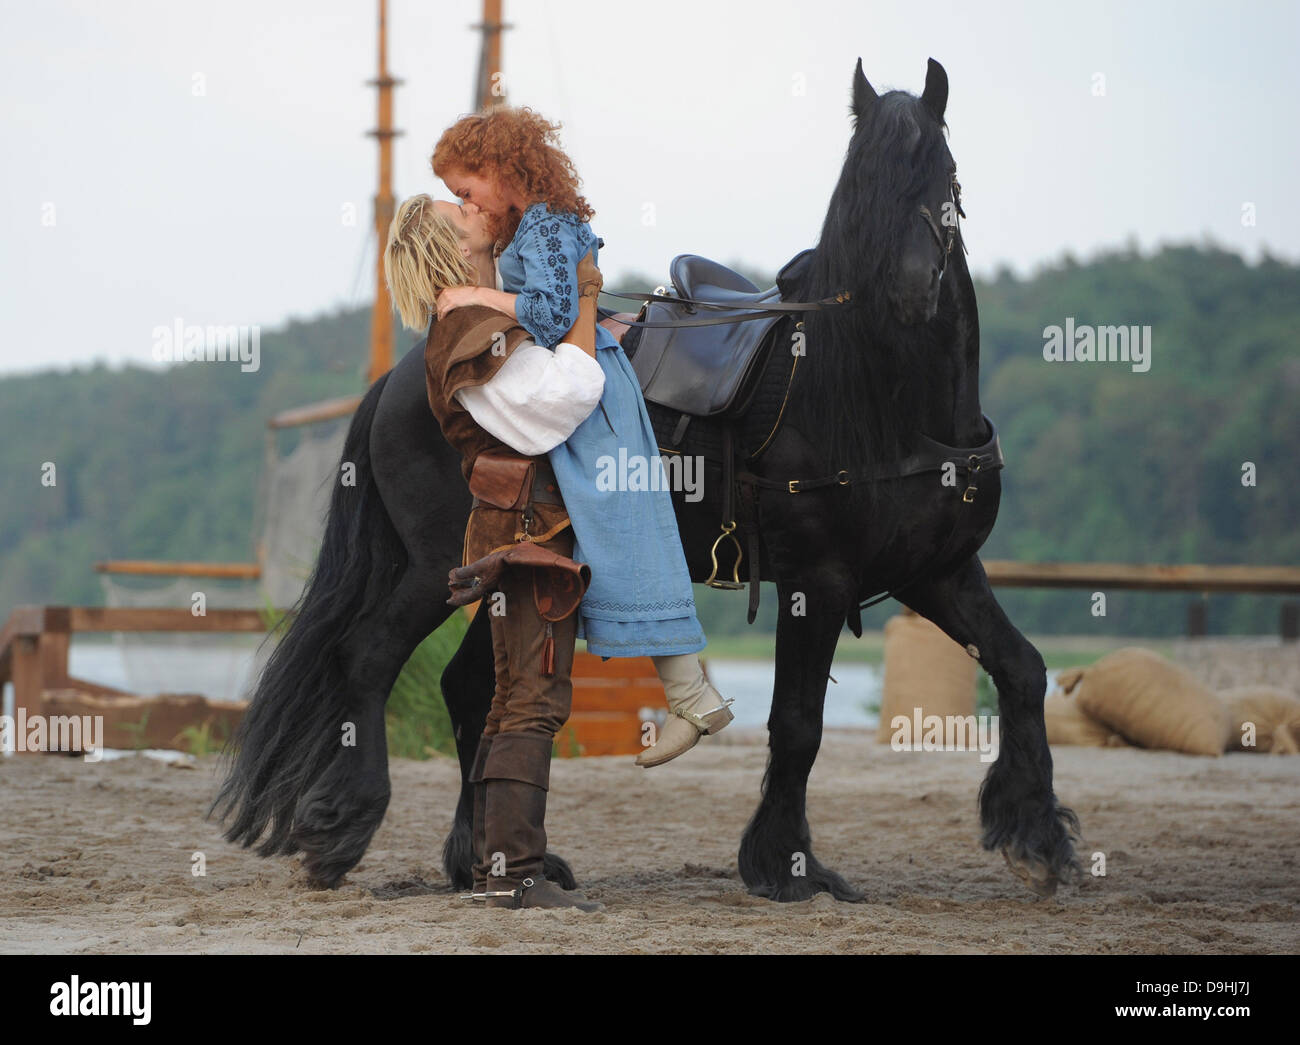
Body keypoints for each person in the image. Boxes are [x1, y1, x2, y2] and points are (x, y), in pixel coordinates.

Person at [430, 106, 734, 767]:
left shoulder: (542, 227)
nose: (464, 204)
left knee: (626, 529)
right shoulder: (532, 228)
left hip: (593, 390)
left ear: (499, 170)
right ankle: (691, 692)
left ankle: (691, 692)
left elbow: (548, 312)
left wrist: (468, 301)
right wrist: (481, 259)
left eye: (466, 190)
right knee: (625, 532)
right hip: (583, 372)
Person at [385, 193, 605, 912]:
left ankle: (494, 866)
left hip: (517, 534)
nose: (476, 209)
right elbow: (569, 393)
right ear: (448, 249)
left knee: (512, 697)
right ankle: (515, 874)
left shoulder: (476, 319)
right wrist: (585, 305)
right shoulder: (470, 328)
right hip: (527, 536)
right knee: (531, 700)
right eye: (461, 211)